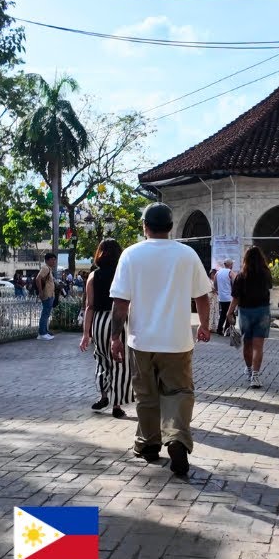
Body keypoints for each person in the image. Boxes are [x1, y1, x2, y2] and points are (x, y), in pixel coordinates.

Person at [109, 203, 213, 478]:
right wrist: (204, 325)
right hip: (177, 340)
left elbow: (120, 303)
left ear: (145, 226)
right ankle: (177, 439)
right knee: (179, 392)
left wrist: (114, 338)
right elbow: (203, 295)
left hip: (141, 340)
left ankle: (148, 444)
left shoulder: (130, 255)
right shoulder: (186, 254)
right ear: (170, 226)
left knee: (146, 395)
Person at [79, 239, 131, 418]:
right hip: (120, 320)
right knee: (120, 363)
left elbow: (89, 306)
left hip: (99, 321)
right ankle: (117, 405)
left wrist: (86, 333)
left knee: (101, 359)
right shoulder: (124, 273)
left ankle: (103, 395)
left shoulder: (93, 276)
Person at [225, 246, 274, 387]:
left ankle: (248, 369)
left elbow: (235, 297)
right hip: (262, 312)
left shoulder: (241, 275)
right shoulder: (266, 274)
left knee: (247, 343)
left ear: (246, 259)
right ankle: (256, 376)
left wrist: (229, 313)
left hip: (245, 312)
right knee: (258, 346)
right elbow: (269, 288)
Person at [35, 253, 58, 340]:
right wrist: (40, 292)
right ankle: (42, 333)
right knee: (45, 314)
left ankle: (44, 331)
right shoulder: (45, 268)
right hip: (47, 294)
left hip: (50, 294)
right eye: (52, 259)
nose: (54, 261)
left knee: (47, 314)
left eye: (54, 259)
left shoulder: (49, 269)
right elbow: (38, 279)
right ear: (47, 260)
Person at [214, 258, 236, 336]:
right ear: (230, 265)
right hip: (229, 297)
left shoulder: (218, 273)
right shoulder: (230, 272)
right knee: (230, 314)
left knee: (223, 313)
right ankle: (227, 330)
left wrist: (218, 291)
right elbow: (235, 284)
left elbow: (215, 284)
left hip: (222, 298)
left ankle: (219, 329)